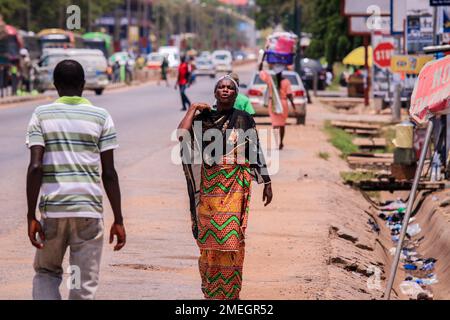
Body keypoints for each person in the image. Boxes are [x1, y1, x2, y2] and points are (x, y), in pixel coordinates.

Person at [25, 59, 126, 300]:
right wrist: (119, 218)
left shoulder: (41, 115)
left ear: (55, 85)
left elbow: (36, 166)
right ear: (83, 85)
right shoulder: (101, 117)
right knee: (82, 282)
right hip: (88, 212)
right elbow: (109, 173)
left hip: (53, 211)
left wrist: (31, 216)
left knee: (47, 272)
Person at [177, 75, 273, 300]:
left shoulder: (244, 119)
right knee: (209, 244)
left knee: (232, 242)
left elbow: (255, 151)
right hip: (210, 192)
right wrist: (191, 109)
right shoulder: (204, 118)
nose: (226, 90)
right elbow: (182, 135)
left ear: (236, 93)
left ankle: (231, 293)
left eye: (230, 88)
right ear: (215, 93)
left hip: (235, 190)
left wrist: (267, 181)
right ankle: (211, 292)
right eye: (221, 87)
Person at [258, 60, 297, 150]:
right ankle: (281, 142)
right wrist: (294, 107)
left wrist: (262, 59)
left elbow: (260, 71)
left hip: (274, 103)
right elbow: (290, 95)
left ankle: (276, 142)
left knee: (275, 124)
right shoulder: (286, 81)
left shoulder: (270, 80)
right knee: (282, 124)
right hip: (283, 104)